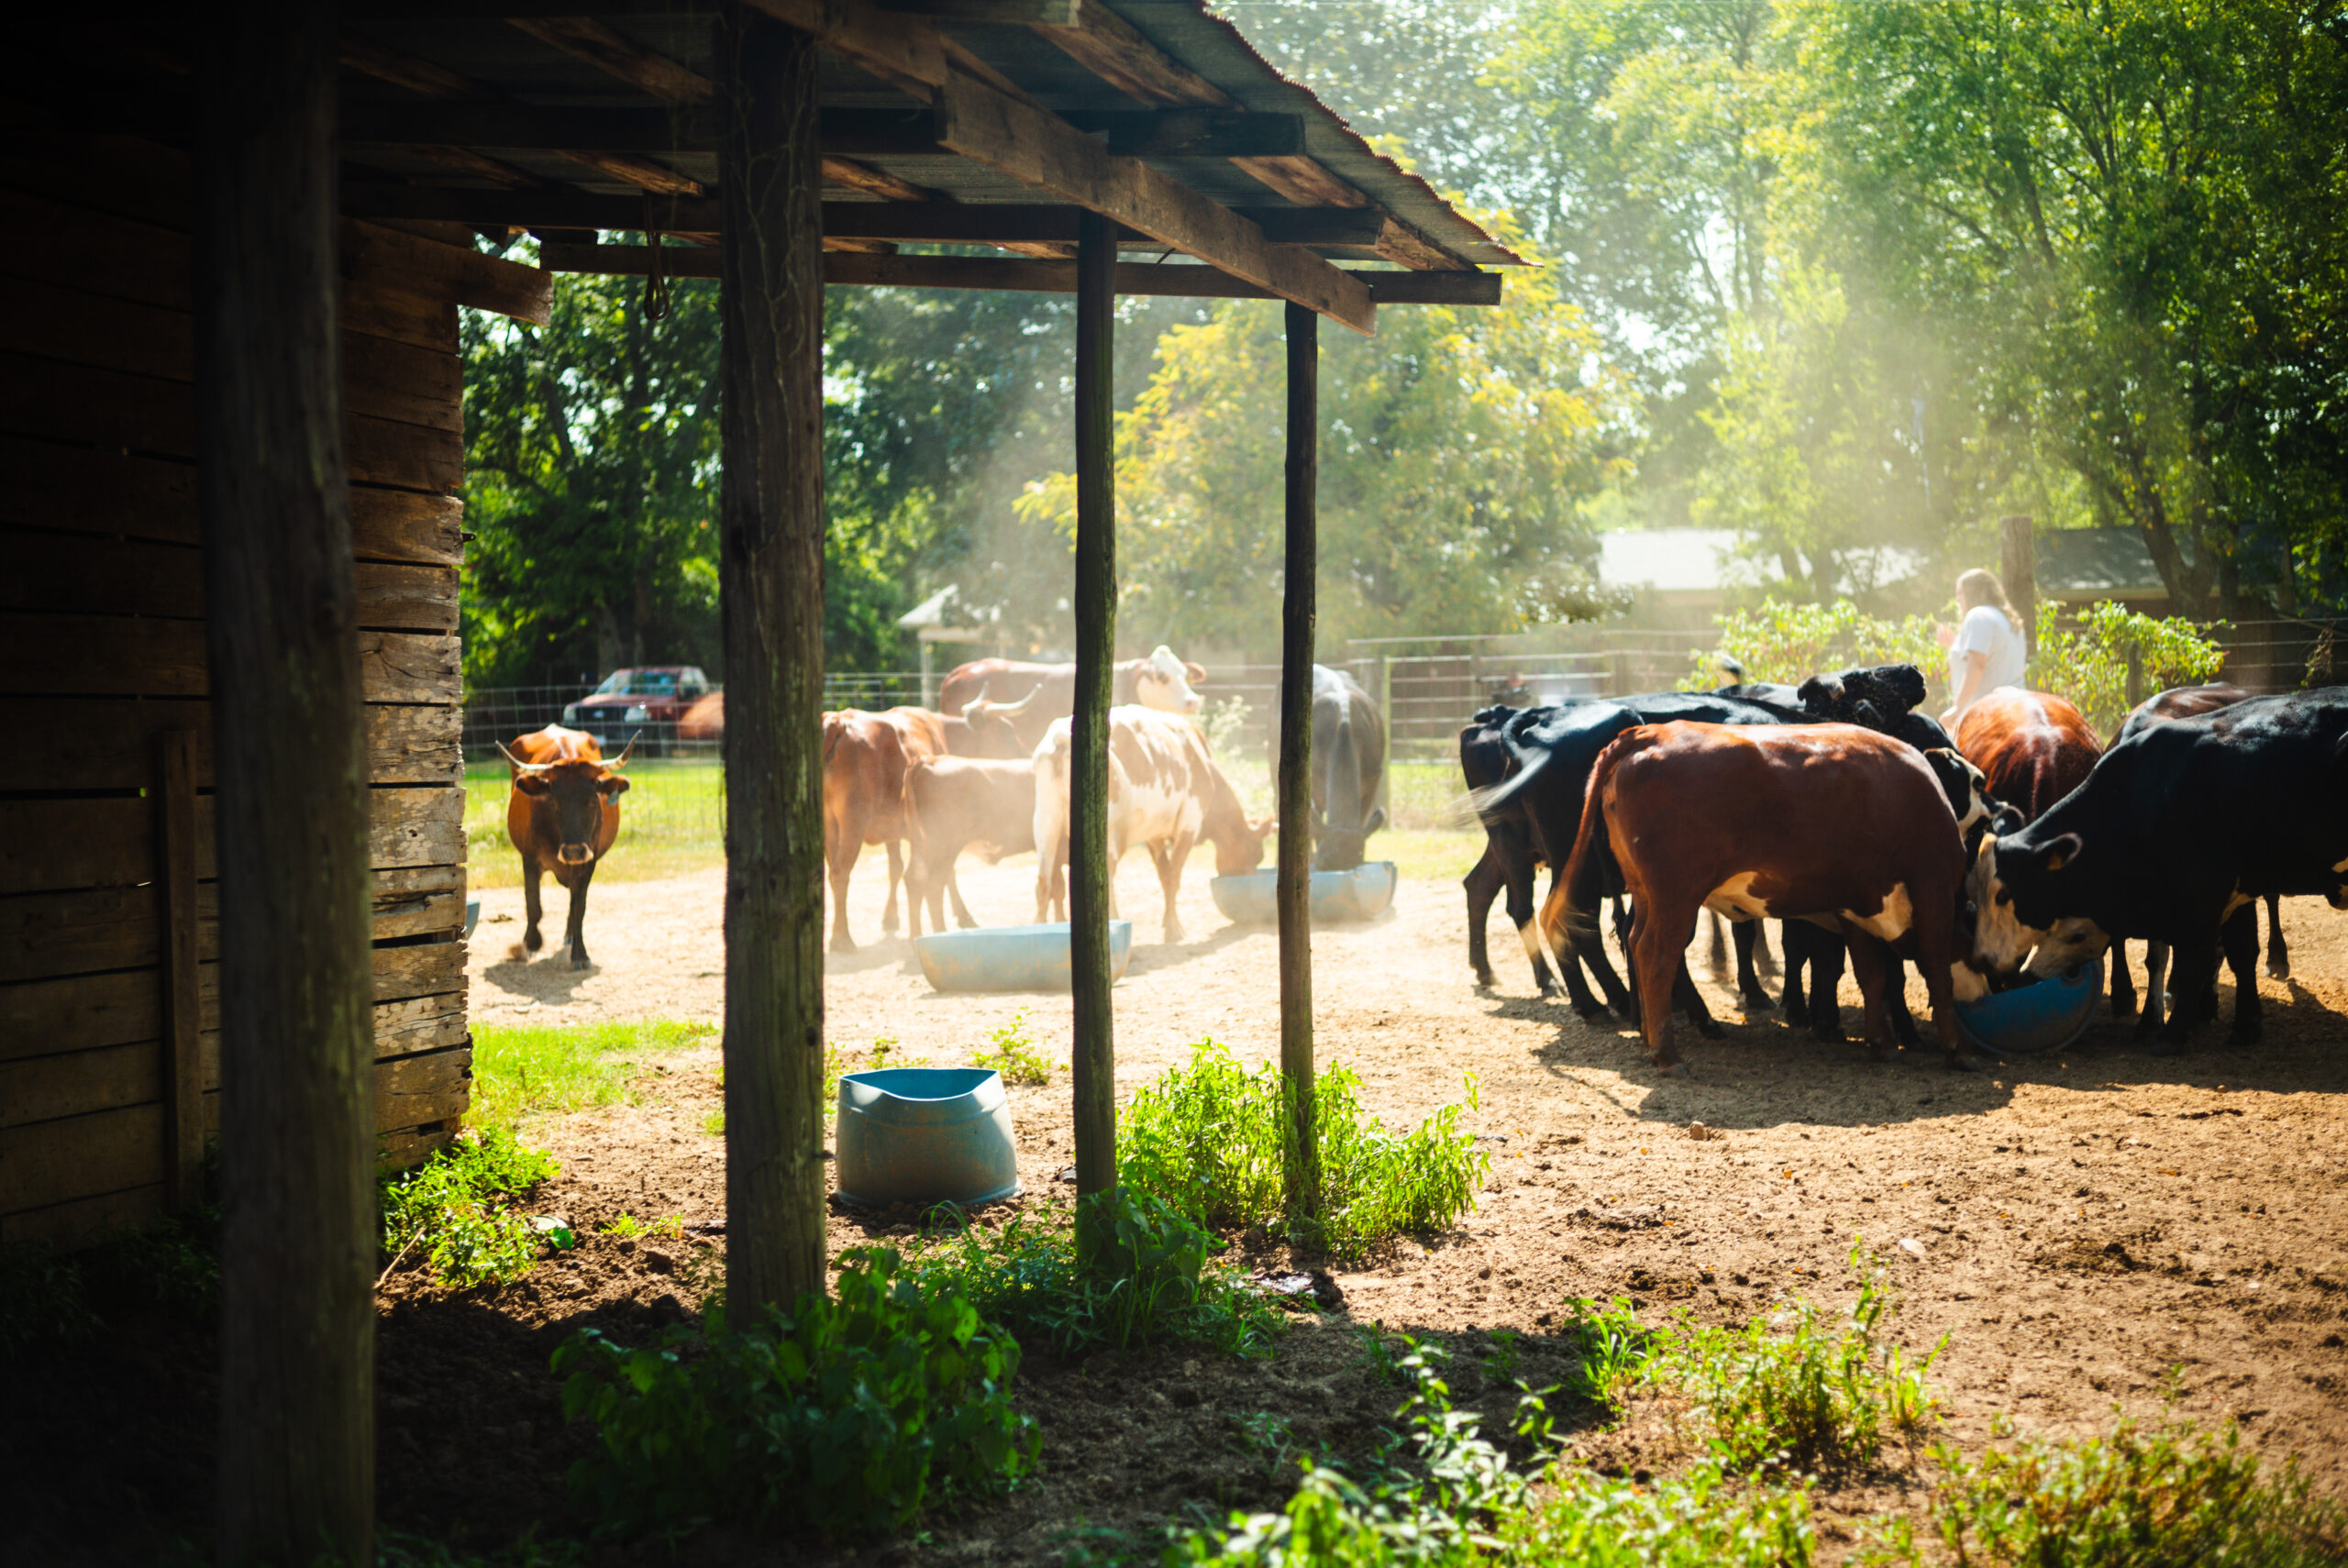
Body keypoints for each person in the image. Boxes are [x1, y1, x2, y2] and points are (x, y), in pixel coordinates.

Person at [1937, 568, 2028, 728]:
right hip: (2018, 711)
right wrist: (1955, 645)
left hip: (1986, 718)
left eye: (1960, 593)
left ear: (1974, 593)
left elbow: (1977, 663)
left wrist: (1957, 709)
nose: (1957, 600)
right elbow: (1998, 661)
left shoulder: (1978, 616)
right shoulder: (2010, 620)